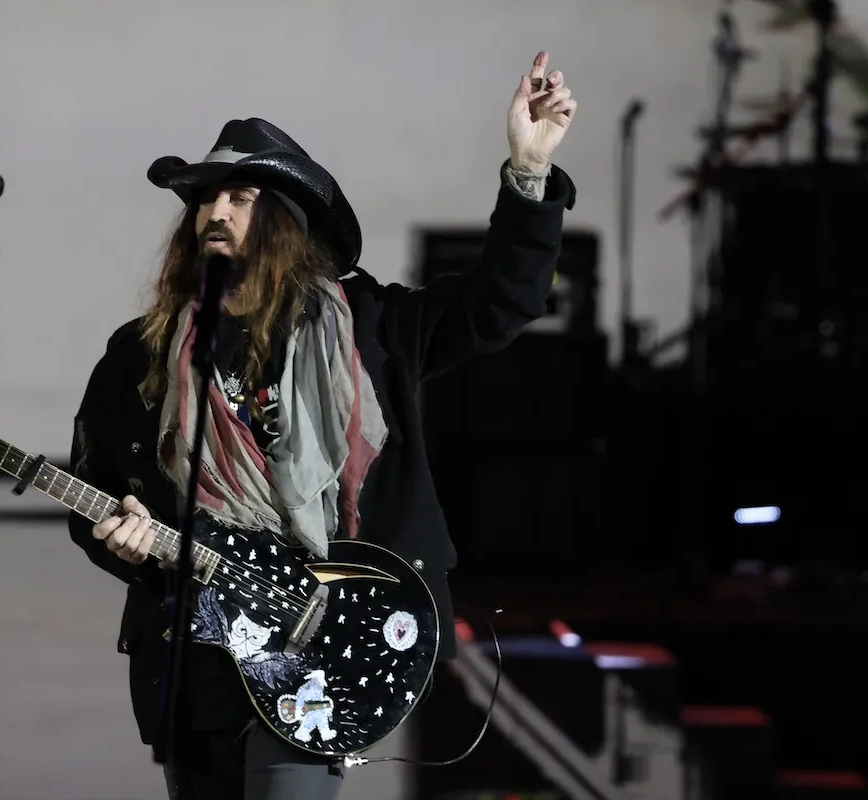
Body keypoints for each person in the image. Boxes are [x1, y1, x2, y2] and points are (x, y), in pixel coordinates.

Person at [67, 51, 578, 800]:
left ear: (285, 222)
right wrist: (123, 539)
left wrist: (528, 174)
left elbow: (500, 303)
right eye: (205, 199)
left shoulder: (370, 326)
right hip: (198, 651)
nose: (215, 213)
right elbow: (99, 493)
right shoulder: (142, 353)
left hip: (326, 636)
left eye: (240, 197)